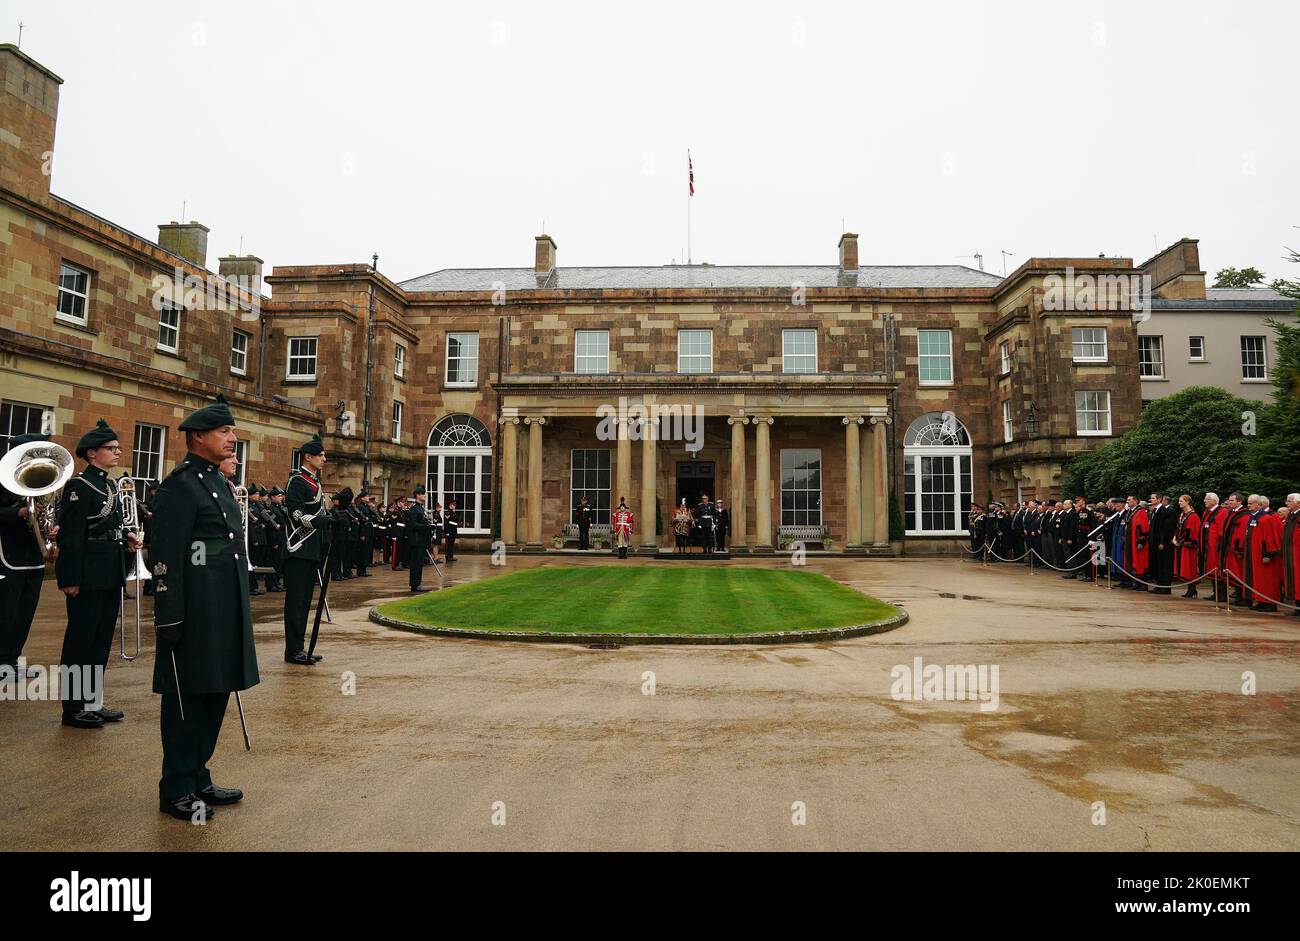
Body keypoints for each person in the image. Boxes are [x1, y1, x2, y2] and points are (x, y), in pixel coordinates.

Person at [149, 393, 259, 821]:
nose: (233, 438)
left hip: (221, 606)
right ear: (198, 436)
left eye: (231, 430)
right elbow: (166, 555)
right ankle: (175, 786)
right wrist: (169, 613)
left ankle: (197, 775)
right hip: (193, 610)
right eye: (224, 431)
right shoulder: (180, 485)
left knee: (215, 692)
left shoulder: (216, 480)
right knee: (186, 699)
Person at [55, 420, 141, 729]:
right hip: (87, 574)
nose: (118, 453)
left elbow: (109, 528)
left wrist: (129, 541)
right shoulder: (79, 486)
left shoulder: (108, 485)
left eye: (118, 448)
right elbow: (71, 536)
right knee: (80, 641)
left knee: (101, 641)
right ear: (92, 453)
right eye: (112, 449)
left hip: (109, 571)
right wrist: (68, 578)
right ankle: (73, 708)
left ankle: (92, 701)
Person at [0, 433, 58, 679]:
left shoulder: (40, 480)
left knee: (25, 612)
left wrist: (52, 527)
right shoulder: (2, 478)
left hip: (33, 554)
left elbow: (51, 510)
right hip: (8, 553)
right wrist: (20, 512)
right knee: (6, 611)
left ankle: (12, 659)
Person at [282, 433, 329, 666]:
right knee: (295, 602)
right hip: (298, 548)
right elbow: (296, 513)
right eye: (320, 455)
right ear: (308, 457)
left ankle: (299, 647)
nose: (324, 459)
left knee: (304, 602)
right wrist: (318, 521)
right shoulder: (297, 481)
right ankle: (293, 650)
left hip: (311, 549)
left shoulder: (315, 482)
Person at [1241, 494, 1283, 612]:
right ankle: (1261, 600)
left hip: (1263, 555)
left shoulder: (1266, 518)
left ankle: (1269, 603)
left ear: (1259, 505)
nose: (1248, 505)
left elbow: (1270, 538)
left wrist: (1268, 554)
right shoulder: (1254, 518)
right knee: (1258, 579)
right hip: (1254, 554)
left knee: (1267, 579)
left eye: (1250, 503)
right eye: (1248, 503)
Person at [1218, 492, 1250, 605]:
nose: (1229, 503)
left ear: (1239, 501)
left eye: (1232, 501)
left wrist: (1239, 548)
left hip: (1236, 550)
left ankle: (1243, 597)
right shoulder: (1232, 513)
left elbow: (1241, 533)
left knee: (1239, 572)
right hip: (1229, 549)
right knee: (1233, 572)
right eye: (1230, 501)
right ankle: (1238, 595)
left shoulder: (1244, 514)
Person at [1197, 492, 1227, 602]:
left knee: (1217, 570)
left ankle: (1221, 594)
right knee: (1211, 570)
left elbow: (1221, 529)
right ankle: (1216, 592)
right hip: (1207, 547)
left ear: (1215, 501)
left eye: (1207, 499)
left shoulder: (1222, 511)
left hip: (1215, 547)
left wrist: (1219, 544)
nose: (1205, 500)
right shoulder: (1207, 512)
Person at [1147, 492, 1176, 594]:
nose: (1151, 500)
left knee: (1164, 564)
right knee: (1158, 564)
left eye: (1153, 498)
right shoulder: (1156, 511)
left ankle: (1165, 587)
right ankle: (1159, 585)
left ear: (1159, 499)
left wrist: (1162, 542)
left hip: (1163, 543)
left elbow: (1165, 529)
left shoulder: (1164, 511)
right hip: (1155, 542)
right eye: (1151, 498)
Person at [1173, 494, 1202, 598]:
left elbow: (1192, 531)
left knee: (1189, 566)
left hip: (1188, 546)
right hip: (1181, 544)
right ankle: (1190, 589)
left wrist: (1185, 541)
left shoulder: (1193, 516)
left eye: (1181, 501)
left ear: (1187, 502)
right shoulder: (1182, 515)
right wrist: (1175, 538)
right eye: (1179, 501)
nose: (1179, 503)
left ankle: (1192, 588)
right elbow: (1179, 528)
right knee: (1184, 567)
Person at [406, 486, 433, 591]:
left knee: (420, 563)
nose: (425, 495)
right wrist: (427, 526)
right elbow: (413, 525)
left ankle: (418, 583)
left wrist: (430, 525)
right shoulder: (414, 509)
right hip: (416, 540)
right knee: (416, 564)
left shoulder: (421, 508)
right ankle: (415, 584)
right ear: (418, 495)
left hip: (422, 540)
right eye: (423, 494)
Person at [1282, 493, 1300, 617]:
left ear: (1298, 503)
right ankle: (1297, 606)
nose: (1287, 503)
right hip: (1290, 552)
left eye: (1289, 501)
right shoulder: (1291, 515)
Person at [443, 498, 459, 563]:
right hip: (449, 531)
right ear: (450, 505)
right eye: (453, 504)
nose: (454, 506)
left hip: (453, 531)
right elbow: (446, 523)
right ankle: (447, 557)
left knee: (451, 544)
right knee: (448, 544)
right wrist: (446, 532)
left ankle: (451, 556)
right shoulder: (448, 512)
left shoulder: (453, 512)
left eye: (455, 505)